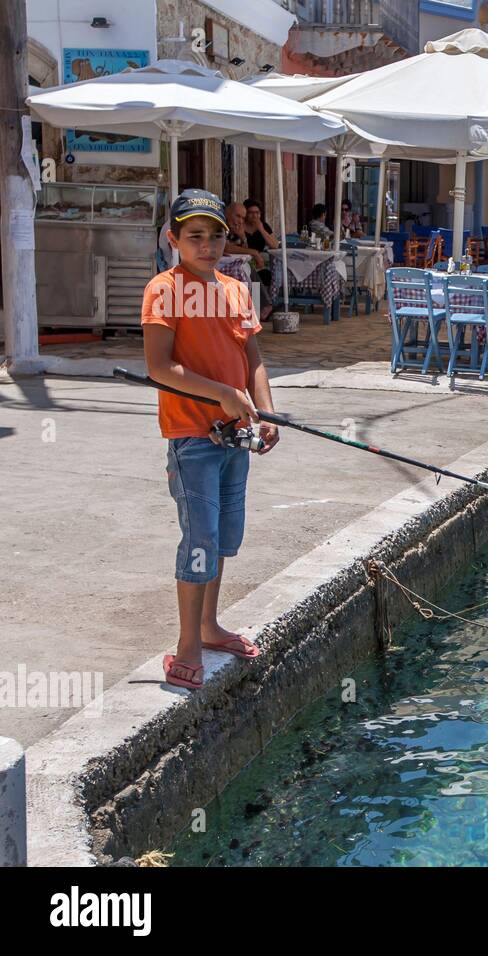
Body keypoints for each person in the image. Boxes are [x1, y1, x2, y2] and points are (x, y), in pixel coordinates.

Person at [141, 189, 278, 690]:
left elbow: (254, 357)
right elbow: (161, 367)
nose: (207, 245)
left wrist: (264, 410)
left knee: (223, 534)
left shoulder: (236, 289)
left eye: (216, 234)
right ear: (173, 239)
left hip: (236, 436)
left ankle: (210, 625)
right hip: (191, 436)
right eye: (194, 236)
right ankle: (186, 645)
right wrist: (222, 393)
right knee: (199, 537)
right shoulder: (164, 289)